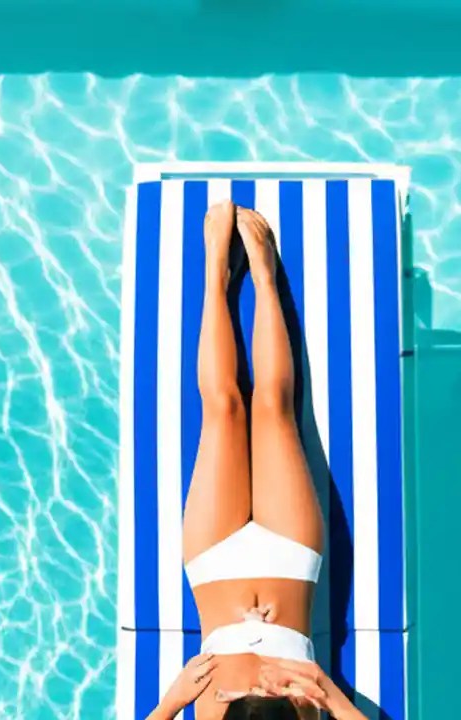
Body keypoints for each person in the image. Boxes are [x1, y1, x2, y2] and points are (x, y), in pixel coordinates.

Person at [146, 202, 368, 720]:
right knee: (272, 409)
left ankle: (216, 275)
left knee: (223, 410)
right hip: (288, 558)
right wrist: (325, 692)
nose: (265, 687)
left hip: (215, 561)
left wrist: (171, 702)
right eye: (274, 693)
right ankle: (264, 276)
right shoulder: (305, 708)